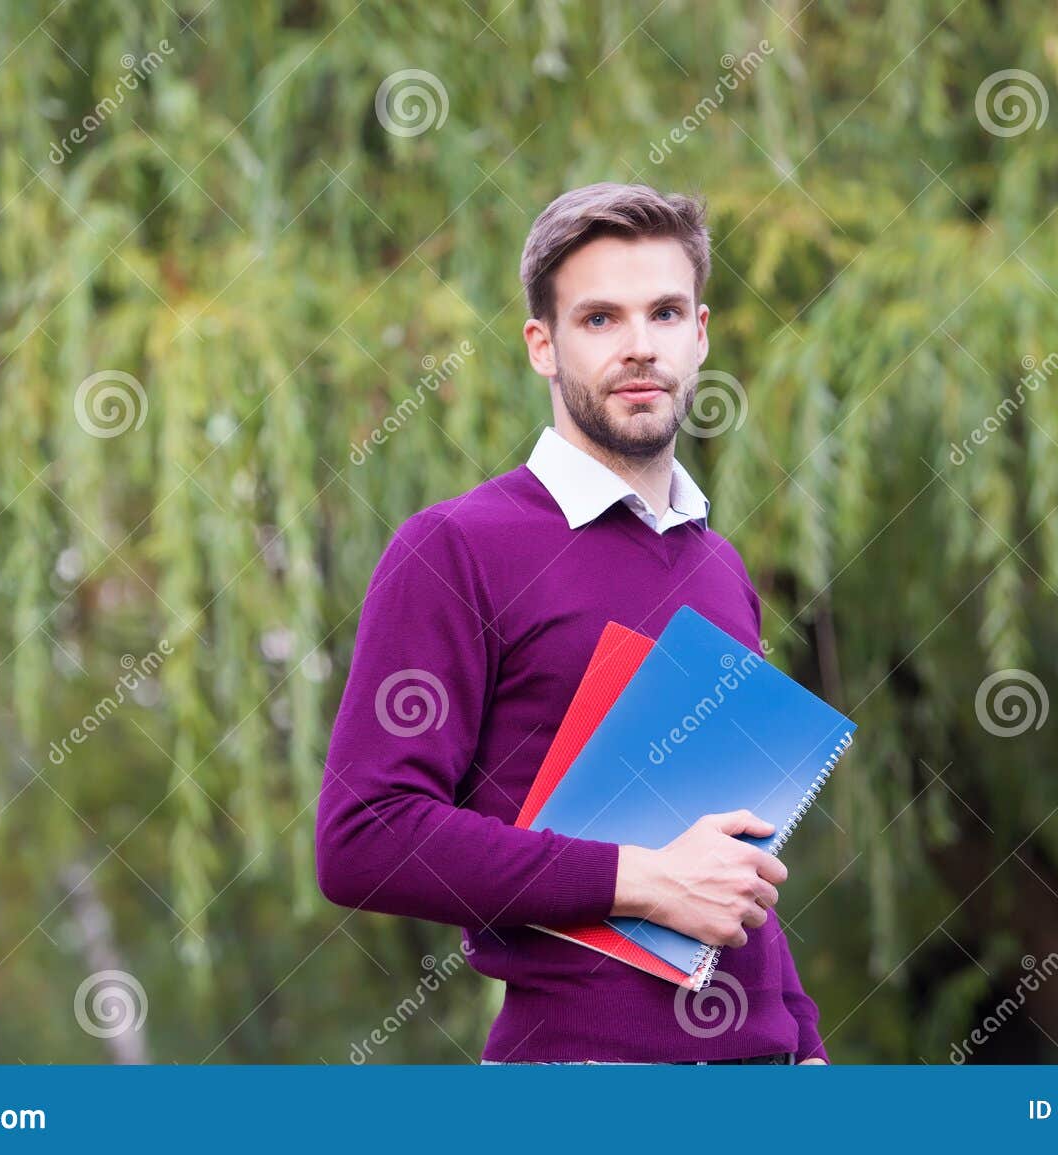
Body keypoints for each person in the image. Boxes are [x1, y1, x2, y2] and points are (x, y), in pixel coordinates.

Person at [316, 182, 828, 1065]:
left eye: (665, 313)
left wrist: (807, 1044)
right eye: (600, 319)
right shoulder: (456, 548)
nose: (639, 346)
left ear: (700, 333)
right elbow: (363, 835)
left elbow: (738, 876)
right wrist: (641, 878)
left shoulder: (721, 568)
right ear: (541, 346)